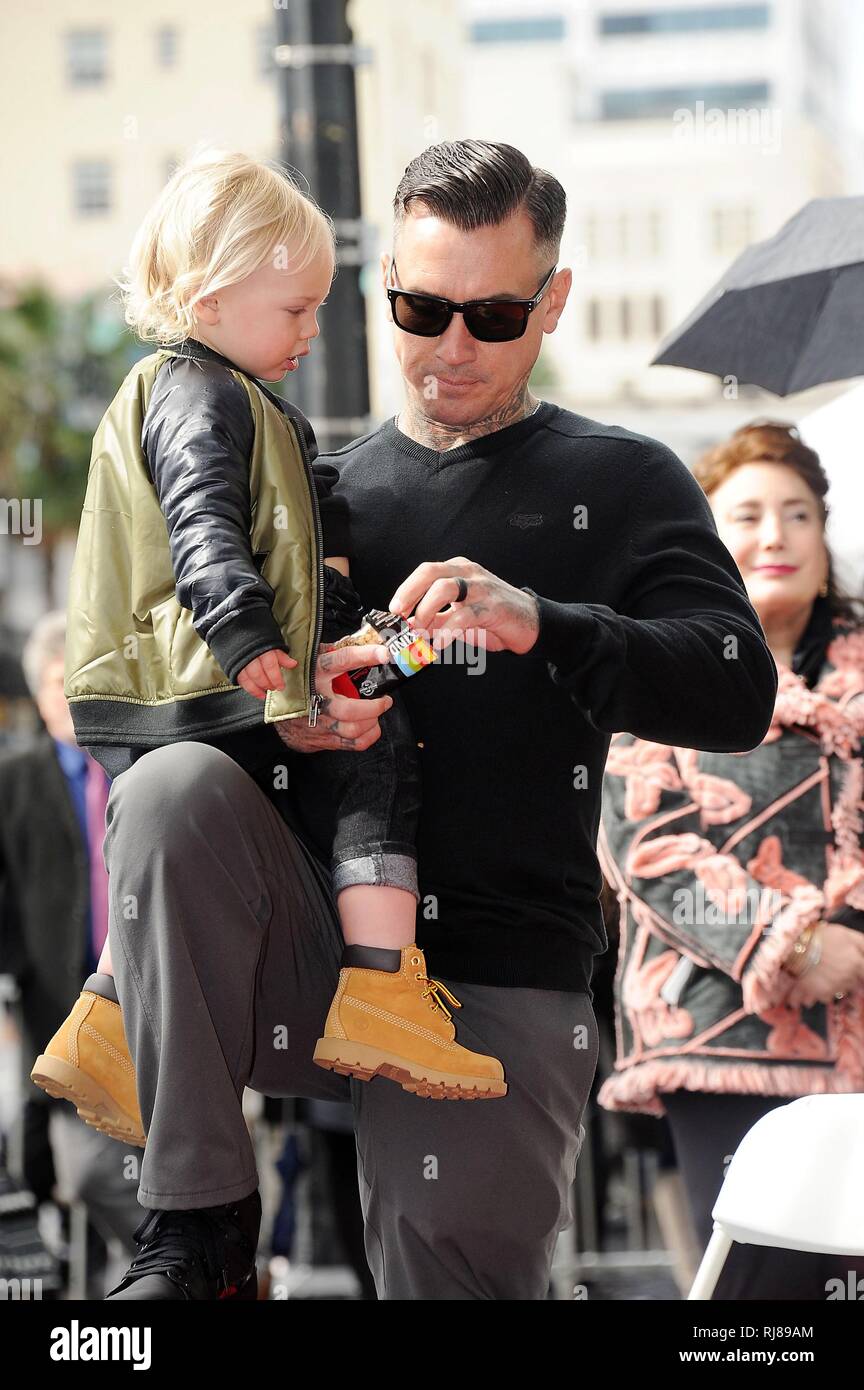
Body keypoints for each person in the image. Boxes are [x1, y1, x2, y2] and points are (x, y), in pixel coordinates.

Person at [74, 138, 775, 1301]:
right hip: (312, 949)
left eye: (495, 314)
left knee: (453, 1276)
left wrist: (544, 622)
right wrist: (287, 719)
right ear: (378, 283)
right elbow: (206, 689)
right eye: (420, 305)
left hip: (501, 967)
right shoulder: (313, 483)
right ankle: (198, 1231)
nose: (451, 345)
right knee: (165, 785)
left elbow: (734, 685)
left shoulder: (631, 478)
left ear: (555, 302)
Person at [30, 148, 505, 1159]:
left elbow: (296, 564)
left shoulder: (234, 398)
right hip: (201, 670)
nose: (313, 329)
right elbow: (205, 528)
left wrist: (361, 642)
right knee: (376, 761)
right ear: (208, 297)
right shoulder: (200, 395)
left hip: (192, 676)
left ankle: (113, 1014)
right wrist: (252, 640)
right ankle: (381, 982)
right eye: (294, 308)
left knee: (208, 834)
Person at [597, 421, 864, 1299]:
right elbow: (648, 848)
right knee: (759, 1301)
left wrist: (852, 928)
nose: (776, 535)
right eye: (747, 514)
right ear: (711, 538)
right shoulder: (661, 665)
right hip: (719, 1032)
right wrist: (789, 941)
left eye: (797, 514)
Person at [0, 612, 142, 1277]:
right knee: (75, 1164)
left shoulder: (136, 764)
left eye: (79, 678)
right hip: (56, 998)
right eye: (57, 682)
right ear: (38, 690)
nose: (69, 695)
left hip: (145, 991)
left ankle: (146, 1270)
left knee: (135, 1150)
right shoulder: (16, 775)